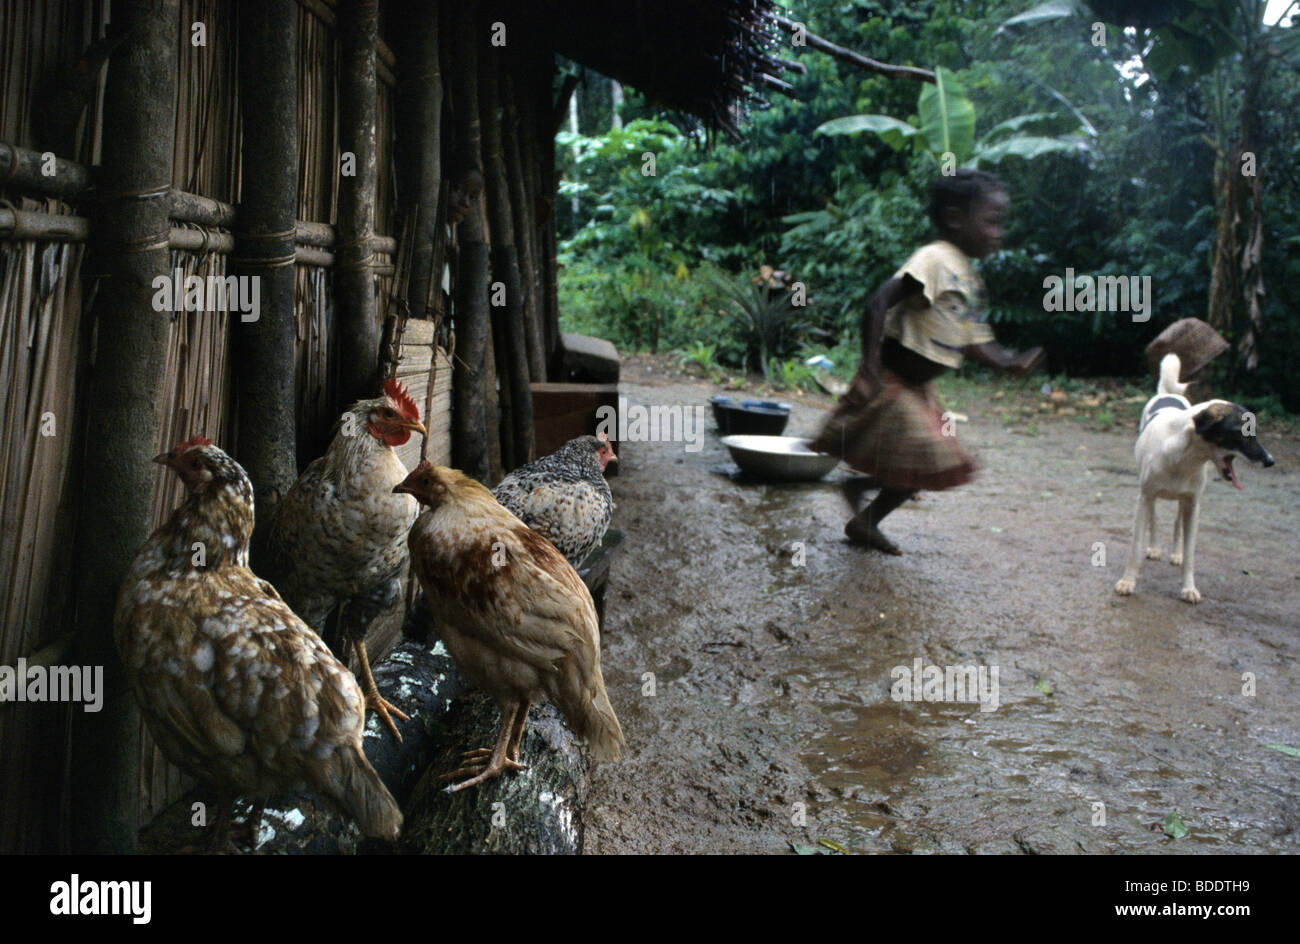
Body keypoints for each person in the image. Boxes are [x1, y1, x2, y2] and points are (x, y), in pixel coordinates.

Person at [810, 169, 1045, 554]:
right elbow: (878, 303)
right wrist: (868, 368)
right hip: (894, 379)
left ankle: (863, 513)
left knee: (929, 463)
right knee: (925, 457)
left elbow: (972, 341)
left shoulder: (970, 279)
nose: (998, 233)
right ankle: (863, 508)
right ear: (956, 219)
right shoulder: (934, 258)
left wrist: (1008, 363)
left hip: (920, 390)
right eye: (992, 221)